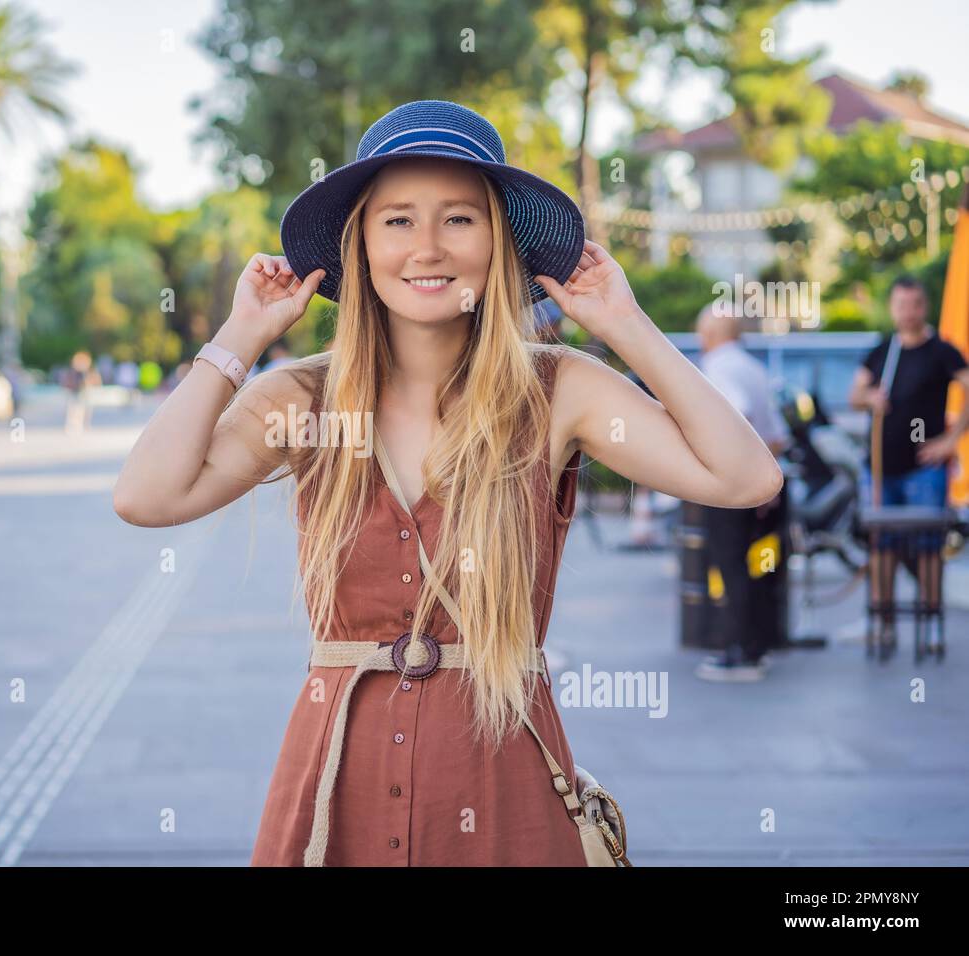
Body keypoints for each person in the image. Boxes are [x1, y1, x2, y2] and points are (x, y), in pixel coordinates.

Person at [113, 100, 780, 866]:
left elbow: (746, 475)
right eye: (397, 220)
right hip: (336, 788)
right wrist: (241, 336)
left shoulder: (558, 390)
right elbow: (146, 496)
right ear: (359, 244)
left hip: (503, 788)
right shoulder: (302, 400)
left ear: (500, 242)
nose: (427, 247)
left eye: (459, 219)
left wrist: (624, 324)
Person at [847, 275, 969, 655]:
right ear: (892, 307)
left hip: (924, 469)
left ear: (924, 306)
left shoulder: (942, 352)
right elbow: (854, 396)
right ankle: (883, 622)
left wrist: (950, 441)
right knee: (882, 547)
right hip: (881, 468)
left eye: (914, 304)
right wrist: (871, 399)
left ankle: (931, 620)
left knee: (928, 548)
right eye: (901, 305)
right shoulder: (882, 350)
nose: (908, 312)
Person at [693, 306, 791, 681]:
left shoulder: (717, 367)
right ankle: (757, 647)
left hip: (731, 487)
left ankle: (740, 654)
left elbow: (739, 415)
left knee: (730, 566)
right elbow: (778, 436)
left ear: (711, 334)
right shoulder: (755, 368)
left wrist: (735, 470)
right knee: (758, 568)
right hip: (763, 489)